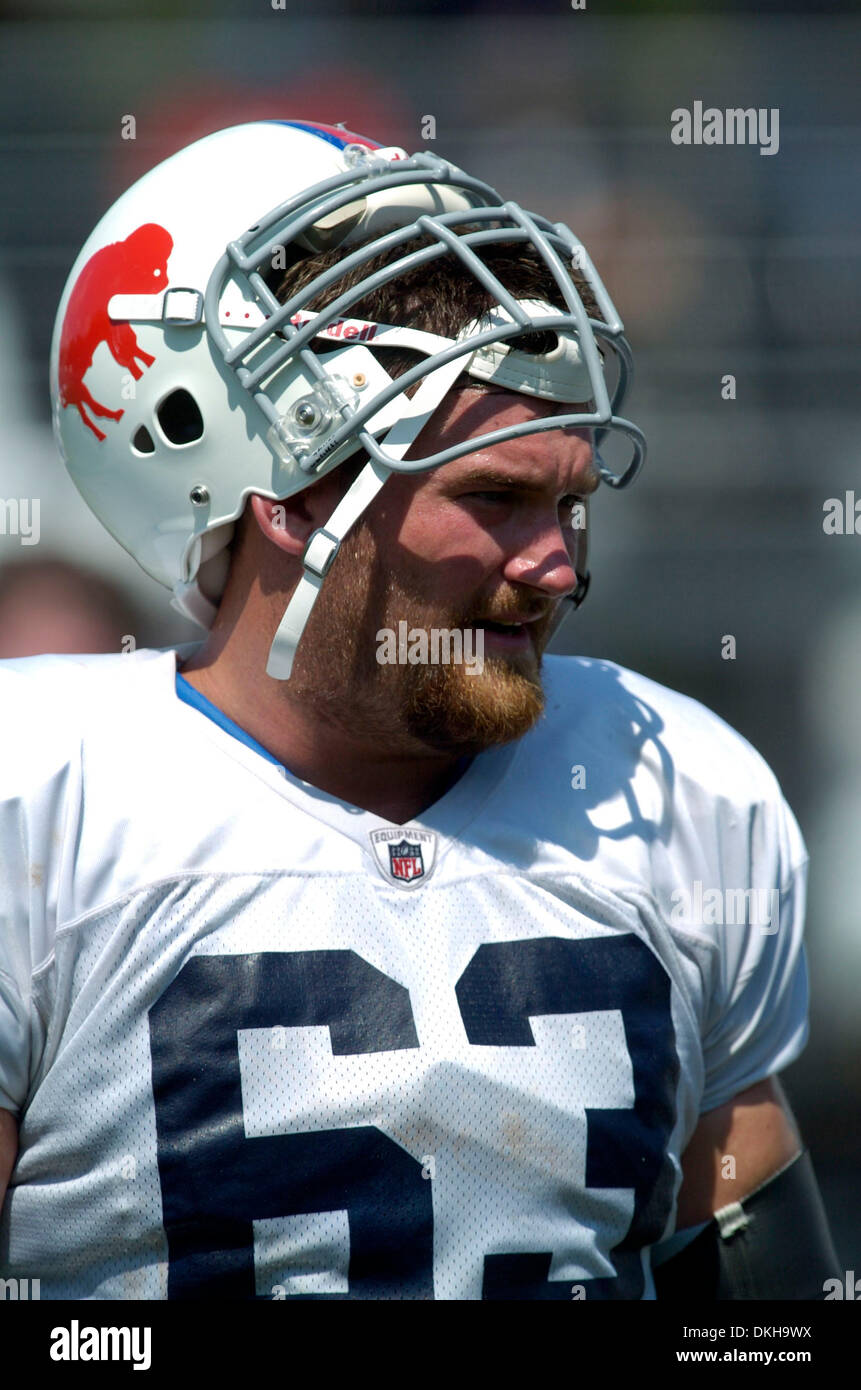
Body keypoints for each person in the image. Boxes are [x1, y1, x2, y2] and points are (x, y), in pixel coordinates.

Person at [0, 119, 839, 1300]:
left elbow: (763, 1317)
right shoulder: (42, 806)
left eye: (571, 501)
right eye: (494, 496)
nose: (557, 567)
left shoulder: (678, 796)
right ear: (286, 491)